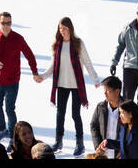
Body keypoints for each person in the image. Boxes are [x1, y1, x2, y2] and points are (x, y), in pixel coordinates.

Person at [40, 17, 101, 157]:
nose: (62, 31)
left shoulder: (78, 43)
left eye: (65, 28)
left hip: (76, 86)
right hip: (61, 84)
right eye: (60, 29)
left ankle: (80, 143)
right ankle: (58, 141)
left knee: (75, 114)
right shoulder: (57, 45)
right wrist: (42, 76)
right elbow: (52, 66)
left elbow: (87, 62)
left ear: (70, 29)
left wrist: (95, 79)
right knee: (60, 114)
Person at [0, 12, 43, 142]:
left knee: (10, 109)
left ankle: (12, 136)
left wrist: (35, 72)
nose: (6, 26)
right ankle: (2, 129)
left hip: (12, 81)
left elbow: (30, 55)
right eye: (3, 23)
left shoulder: (18, 38)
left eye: (8, 23)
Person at [90, 75, 124, 158]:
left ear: (117, 91)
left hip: (121, 154)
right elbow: (94, 126)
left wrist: (123, 149)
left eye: (107, 91)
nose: (104, 93)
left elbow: (131, 132)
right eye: (104, 91)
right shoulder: (100, 107)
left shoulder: (127, 108)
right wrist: (98, 145)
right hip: (104, 154)